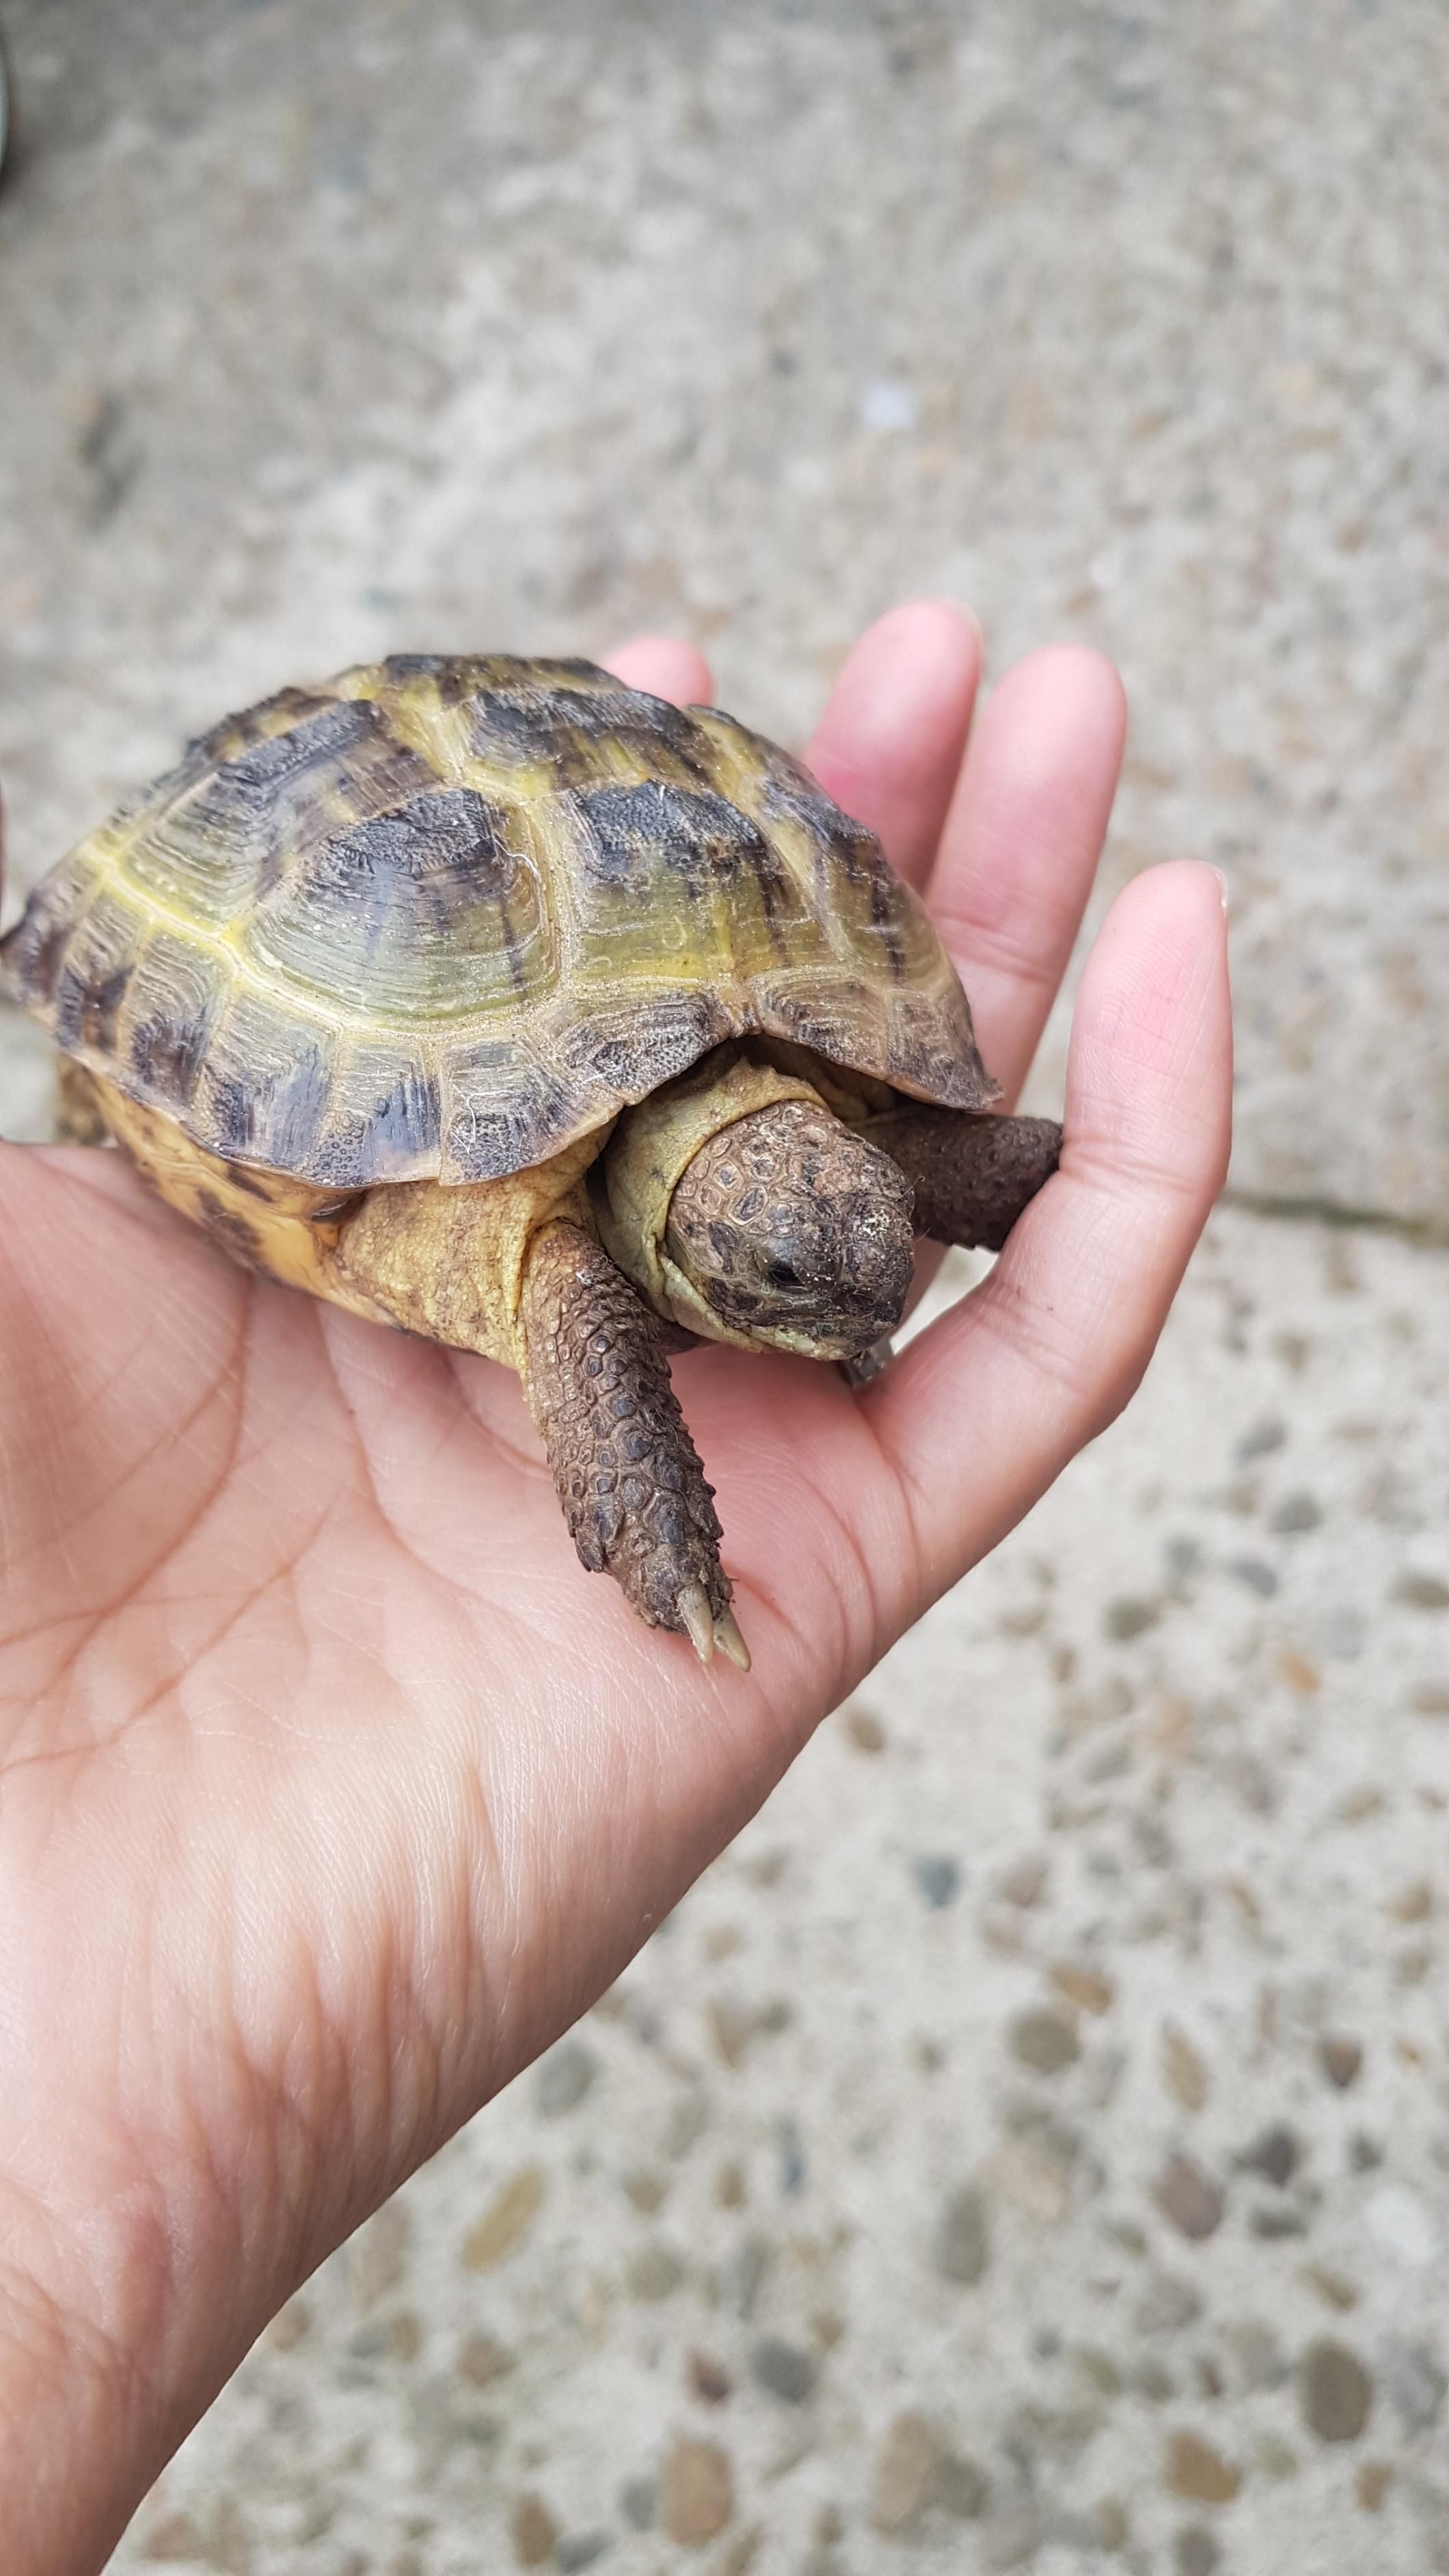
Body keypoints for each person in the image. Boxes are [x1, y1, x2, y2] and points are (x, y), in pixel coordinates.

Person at [0, 601, 1231, 2568]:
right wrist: (670, 1528)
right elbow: (575, 1268)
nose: (860, 1302)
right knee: (563, 1288)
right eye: (771, 1283)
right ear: (681, 1245)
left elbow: (914, 1185)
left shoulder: (820, 1161)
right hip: (339, 956)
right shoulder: (560, 1254)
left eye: (861, 1228)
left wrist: (976, 1173)